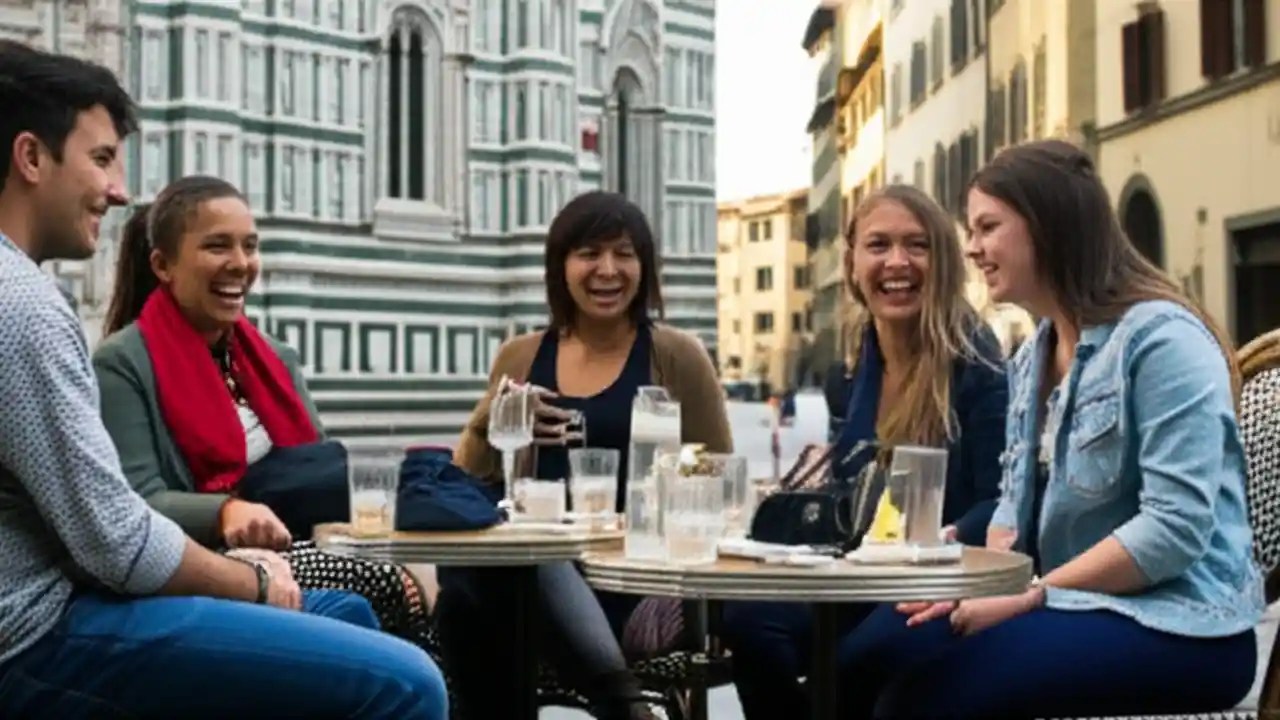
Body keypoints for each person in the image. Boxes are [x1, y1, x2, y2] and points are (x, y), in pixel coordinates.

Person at [0, 41, 446, 718]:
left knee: (348, 614)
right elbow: (115, 539)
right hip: (36, 636)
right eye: (99, 160)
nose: (118, 191)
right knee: (408, 683)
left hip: (76, 598)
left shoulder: (268, 357)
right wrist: (250, 580)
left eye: (250, 245)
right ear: (31, 158)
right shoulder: (28, 306)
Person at [837, 139, 1263, 719]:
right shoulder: (1032, 355)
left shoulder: (1165, 342)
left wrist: (1031, 596)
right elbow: (1011, 512)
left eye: (988, 227)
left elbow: (1173, 529)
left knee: (924, 697)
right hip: (1066, 600)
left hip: (1181, 624)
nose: (972, 248)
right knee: (865, 656)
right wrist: (974, 584)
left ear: (1047, 225)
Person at [436, 191, 733, 719]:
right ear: (561, 266)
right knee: (491, 568)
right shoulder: (522, 356)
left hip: (636, 581)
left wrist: (668, 479)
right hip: (527, 580)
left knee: (492, 577)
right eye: (589, 253)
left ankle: (619, 707)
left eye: (624, 253)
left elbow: (721, 481)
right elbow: (468, 478)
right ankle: (625, 709)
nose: (607, 270)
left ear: (644, 267)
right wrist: (493, 420)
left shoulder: (675, 356)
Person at [92, 178, 430, 640]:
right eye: (217, 246)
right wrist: (226, 511)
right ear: (163, 265)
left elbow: (313, 465)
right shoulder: (123, 363)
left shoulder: (274, 358)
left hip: (303, 536)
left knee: (446, 582)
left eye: (250, 246)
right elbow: (136, 500)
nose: (240, 263)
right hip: (204, 558)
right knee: (383, 585)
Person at [720, 185, 1008, 719]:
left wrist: (942, 536)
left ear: (942, 260)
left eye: (916, 245)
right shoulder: (857, 366)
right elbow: (849, 490)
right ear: (851, 263)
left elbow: (1003, 500)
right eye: (878, 245)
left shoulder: (976, 361)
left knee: (856, 662)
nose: (896, 262)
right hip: (860, 574)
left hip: (941, 580)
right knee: (747, 620)